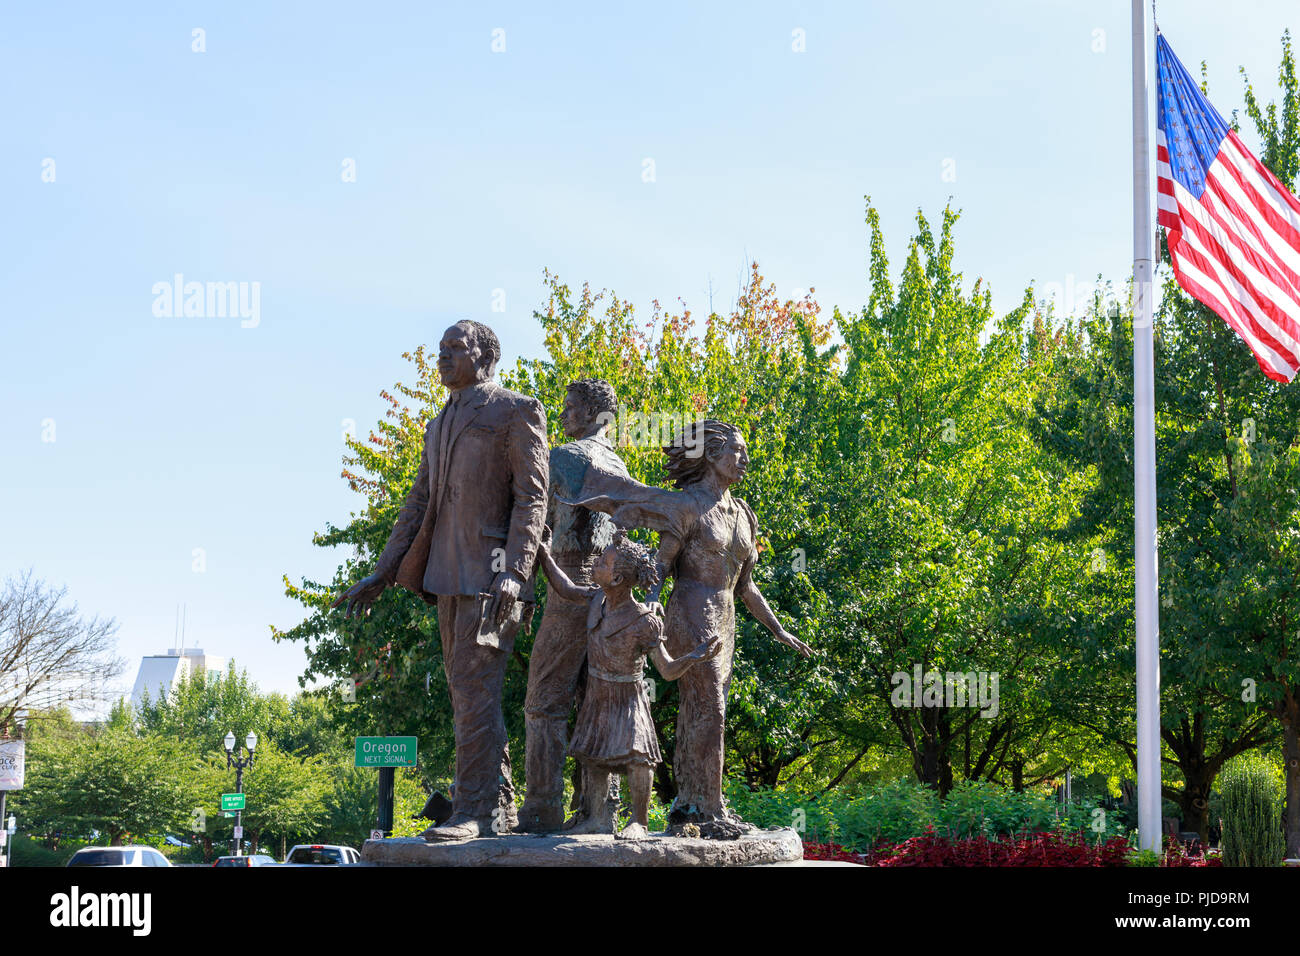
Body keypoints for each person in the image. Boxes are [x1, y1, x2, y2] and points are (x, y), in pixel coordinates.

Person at [332, 320, 548, 842]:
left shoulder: (515, 409)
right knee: (465, 694)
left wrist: (517, 572)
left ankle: (473, 810)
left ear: (485, 356)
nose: (443, 356)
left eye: (456, 348)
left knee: (474, 692)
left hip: (494, 581)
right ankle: (496, 806)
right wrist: (384, 572)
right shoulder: (439, 423)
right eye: (441, 349)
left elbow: (533, 497)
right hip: (449, 575)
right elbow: (418, 504)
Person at [566, 419, 811, 837]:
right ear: (712, 456)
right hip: (689, 614)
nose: (744, 459)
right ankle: (701, 809)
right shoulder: (687, 506)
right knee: (708, 708)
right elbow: (660, 568)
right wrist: (651, 608)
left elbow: (747, 587)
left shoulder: (743, 514)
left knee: (711, 712)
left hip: (726, 618)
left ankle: (698, 804)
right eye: (736, 451)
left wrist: (777, 629)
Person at [534, 529, 721, 839]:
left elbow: (667, 670)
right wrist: (543, 554)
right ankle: (595, 816)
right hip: (598, 694)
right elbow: (566, 588)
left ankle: (640, 819)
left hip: (628, 697)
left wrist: (695, 656)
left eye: (603, 563)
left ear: (619, 579)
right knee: (593, 754)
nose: (595, 565)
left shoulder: (644, 620)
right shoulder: (597, 600)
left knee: (638, 758)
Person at [518, 379, 630, 832]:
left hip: (567, 583)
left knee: (543, 701)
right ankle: (600, 811)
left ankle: (541, 809)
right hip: (607, 592)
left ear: (589, 414)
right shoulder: (619, 464)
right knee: (601, 697)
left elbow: (533, 523)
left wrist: (522, 588)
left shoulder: (563, 457)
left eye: (568, 409)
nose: (562, 417)